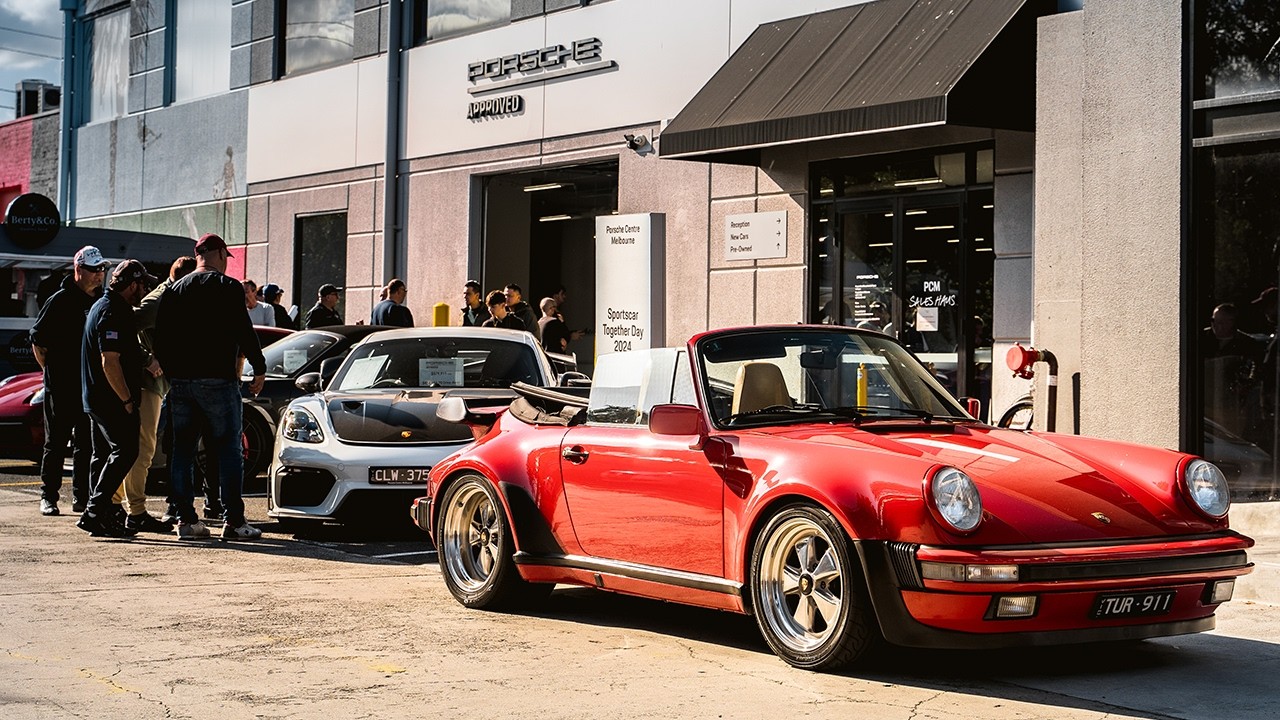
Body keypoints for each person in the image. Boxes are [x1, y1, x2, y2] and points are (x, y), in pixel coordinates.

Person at [154, 233, 266, 540]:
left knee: (183, 451)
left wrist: (174, 371)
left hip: (182, 383)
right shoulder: (227, 288)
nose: (226, 264)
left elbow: (161, 337)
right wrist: (259, 367)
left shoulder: (176, 289)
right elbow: (243, 329)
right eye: (225, 257)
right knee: (229, 450)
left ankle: (187, 521)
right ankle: (233, 521)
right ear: (217, 254)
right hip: (218, 380)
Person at [77, 260, 160, 538]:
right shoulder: (112, 311)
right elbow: (109, 361)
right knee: (126, 451)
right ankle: (94, 512)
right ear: (132, 285)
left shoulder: (104, 305)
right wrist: (126, 400)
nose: (145, 289)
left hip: (97, 397)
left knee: (103, 455)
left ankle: (106, 516)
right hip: (110, 398)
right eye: (143, 284)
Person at [123, 256, 207, 528]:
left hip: (159, 384)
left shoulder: (174, 296)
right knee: (143, 448)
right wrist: (146, 358)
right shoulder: (162, 298)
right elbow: (123, 326)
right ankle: (134, 511)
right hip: (148, 383)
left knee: (139, 447)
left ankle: (117, 505)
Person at [30, 246, 107, 517]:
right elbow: (38, 342)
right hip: (61, 387)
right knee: (56, 443)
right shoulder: (60, 300)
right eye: (94, 269)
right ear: (78, 269)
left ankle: (81, 498)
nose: (99, 275)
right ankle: (48, 497)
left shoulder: (101, 301)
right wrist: (52, 373)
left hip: (89, 389)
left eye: (102, 269)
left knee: (86, 445)